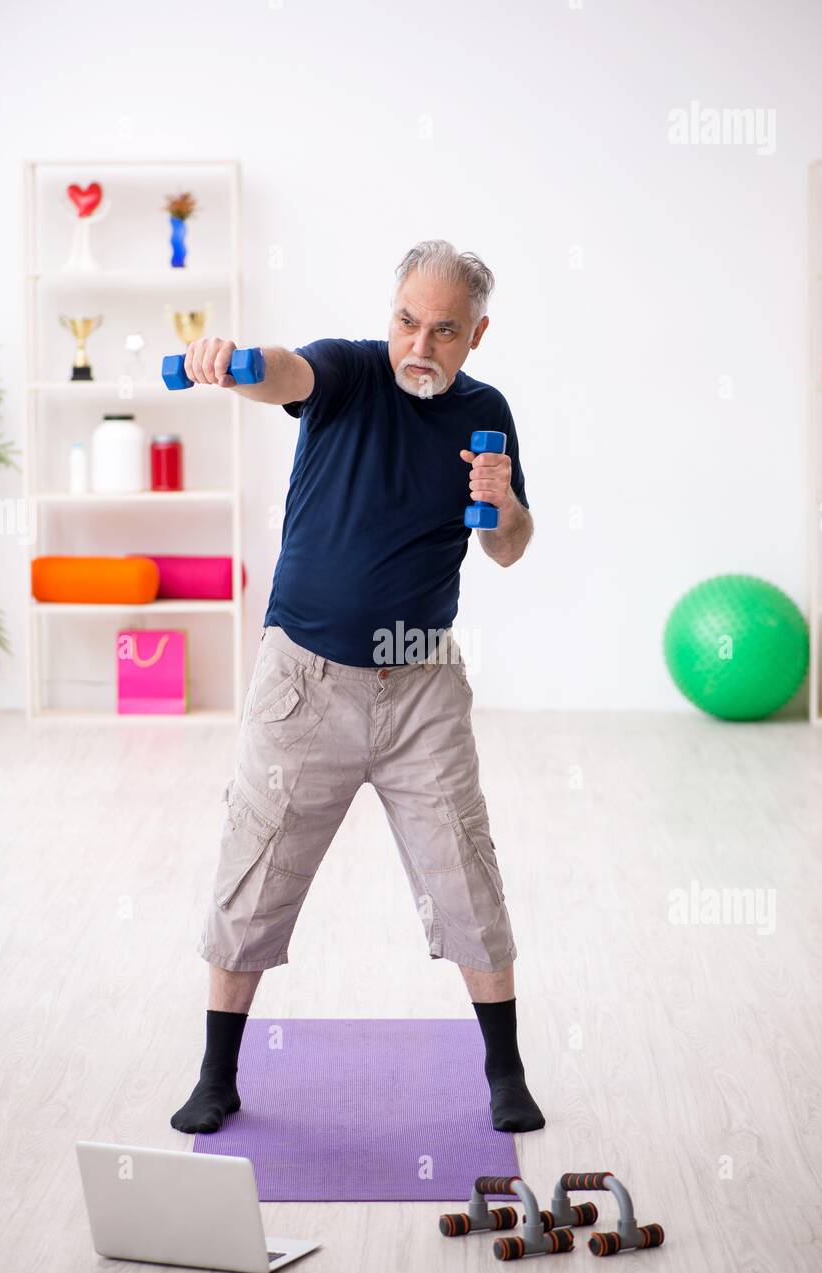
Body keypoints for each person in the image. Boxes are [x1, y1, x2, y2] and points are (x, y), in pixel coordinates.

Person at [171, 239, 544, 1136]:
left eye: (443, 330)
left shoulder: (485, 413)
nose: (419, 344)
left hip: (422, 687)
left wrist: (500, 500)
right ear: (392, 316)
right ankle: (217, 1074)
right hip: (305, 680)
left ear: (476, 336)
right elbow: (285, 375)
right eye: (407, 320)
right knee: (255, 870)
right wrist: (232, 367)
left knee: (465, 869)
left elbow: (508, 547)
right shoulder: (348, 371)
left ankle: (505, 1071)